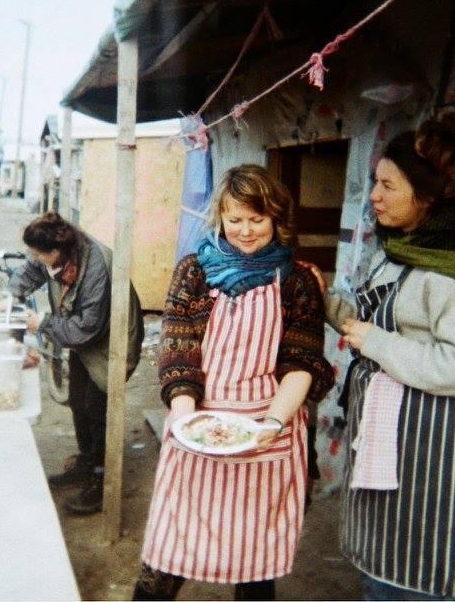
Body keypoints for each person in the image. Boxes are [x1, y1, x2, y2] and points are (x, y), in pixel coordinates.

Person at [133, 164, 333, 600]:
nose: (245, 231)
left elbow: (301, 361)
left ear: (277, 219)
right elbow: (178, 348)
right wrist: (187, 421)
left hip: (266, 431)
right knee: (168, 550)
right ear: (220, 218)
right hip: (198, 424)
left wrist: (273, 425)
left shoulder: (297, 281)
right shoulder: (194, 271)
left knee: (255, 562)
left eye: (257, 219)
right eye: (235, 219)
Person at [318, 114, 455, 600]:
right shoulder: (400, 250)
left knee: (414, 572)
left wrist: (375, 343)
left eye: (386, 185)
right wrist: (327, 304)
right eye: (375, 182)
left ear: (427, 196)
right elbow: (376, 320)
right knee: (378, 565)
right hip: (385, 434)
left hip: (424, 447)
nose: (373, 195)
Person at [7, 213, 143, 514]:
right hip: (84, 335)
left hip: (112, 339)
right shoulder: (60, 250)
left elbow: (86, 329)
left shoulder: (96, 268)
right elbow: (31, 270)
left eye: (40, 254)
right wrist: (12, 294)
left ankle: (101, 479)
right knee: (78, 401)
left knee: (98, 405)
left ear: (58, 251)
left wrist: (43, 321)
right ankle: (86, 461)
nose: (36, 259)